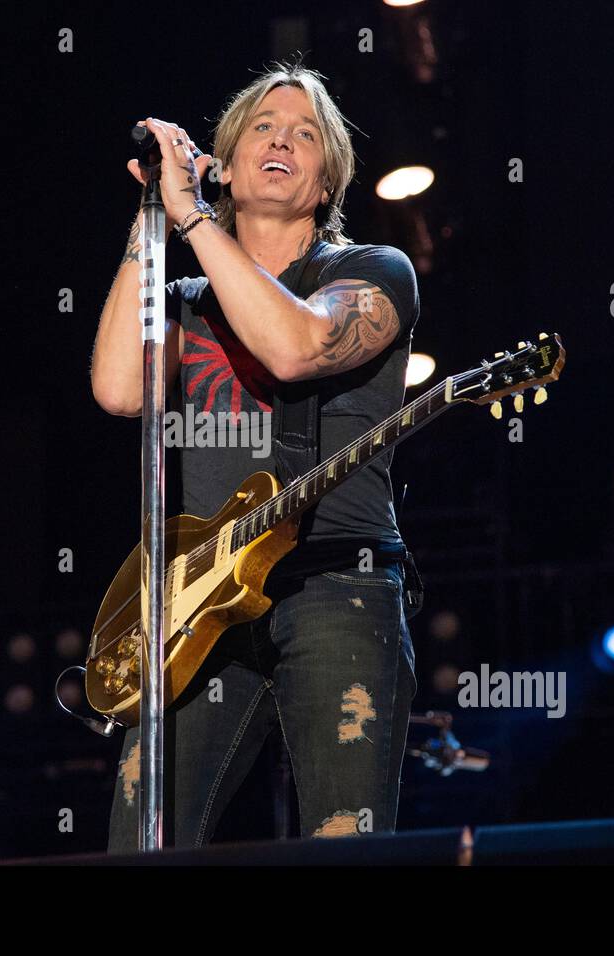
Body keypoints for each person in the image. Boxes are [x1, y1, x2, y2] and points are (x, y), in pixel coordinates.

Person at [90, 62, 421, 851]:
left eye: (306, 134)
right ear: (227, 168)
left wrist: (196, 219)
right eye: (263, 129)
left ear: (324, 183)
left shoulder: (370, 273)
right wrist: (154, 218)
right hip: (202, 601)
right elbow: (116, 390)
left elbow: (297, 347)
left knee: (344, 843)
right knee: (140, 842)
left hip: (338, 582)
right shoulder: (185, 300)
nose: (283, 138)